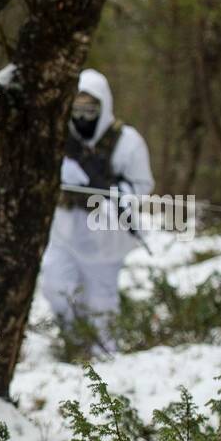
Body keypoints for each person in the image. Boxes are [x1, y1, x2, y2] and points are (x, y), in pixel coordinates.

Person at [40, 68, 154, 352]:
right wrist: (61, 174)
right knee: (55, 286)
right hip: (64, 229)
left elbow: (143, 184)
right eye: (77, 109)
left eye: (90, 110)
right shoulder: (61, 137)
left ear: (103, 107)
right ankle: (75, 343)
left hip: (105, 235)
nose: (82, 117)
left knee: (100, 302)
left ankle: (104, 358)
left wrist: (115, 196)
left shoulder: (127, 141)